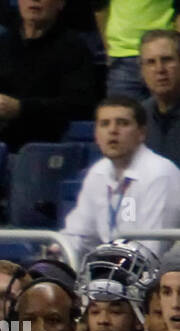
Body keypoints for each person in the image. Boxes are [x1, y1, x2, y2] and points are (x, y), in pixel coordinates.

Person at [62, 95, 180, 267]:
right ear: (95, 134)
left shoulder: (159, 174)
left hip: (152, 278)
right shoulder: (98, 172)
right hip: (108, 272)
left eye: (123, 123)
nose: (113, 130)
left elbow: (152, 250)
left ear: (141, 133)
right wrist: (59, 251)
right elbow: (79, 234)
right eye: (105, 124)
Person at [0, 0, 95, 151]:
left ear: (61, 3)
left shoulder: (74, 48)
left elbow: (79, 104)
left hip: (49, 143)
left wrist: (21, 107)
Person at [141, 29, 180, 166]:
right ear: (142, 71)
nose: (160, 69)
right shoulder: (138, 117)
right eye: (151, 62)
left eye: (167, 60)